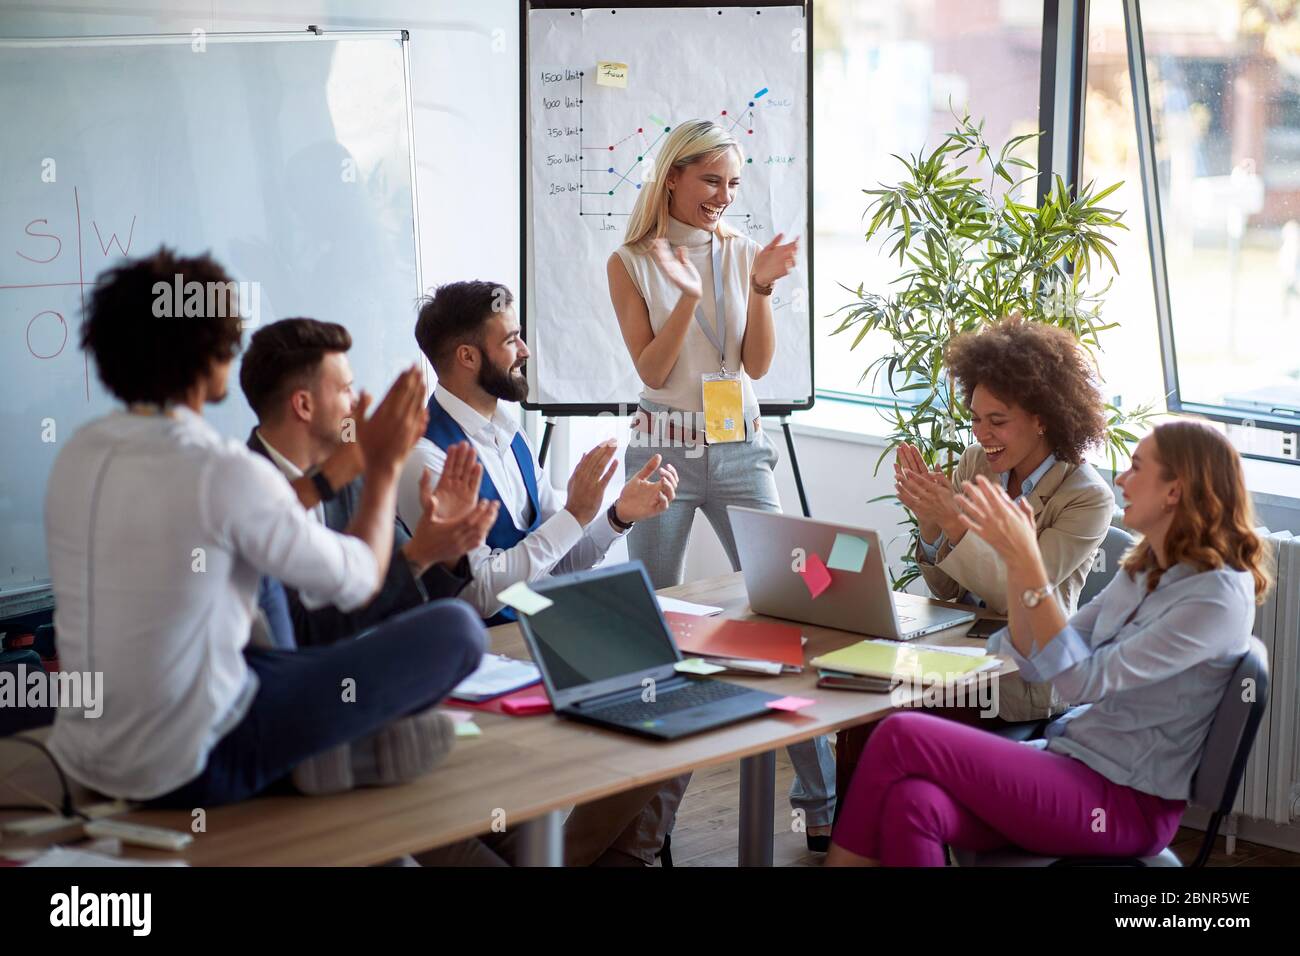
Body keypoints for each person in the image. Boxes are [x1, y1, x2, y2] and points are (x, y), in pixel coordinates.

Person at [45, 248, 486, 807]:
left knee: (254, 603)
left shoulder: (80, 453)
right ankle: (322, 752)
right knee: (458, 631)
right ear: (210, 355)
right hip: (196, 768)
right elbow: (358, 581)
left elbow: (248, 516)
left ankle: (333, 745)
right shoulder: (223, 470)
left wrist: (336, 476)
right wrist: (382, 468)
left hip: (86, 754)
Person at [828, 420, 1270, 866]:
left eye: (1136, 468)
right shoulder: (1146, 568)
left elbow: (1080, 682)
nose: (1121, 479)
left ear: (1175, 490)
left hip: (1122, 801)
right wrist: (1021, 571)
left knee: (901, 733)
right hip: (1072, 760)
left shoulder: (1215, 596)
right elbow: (1036, 661)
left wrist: (1027, 563)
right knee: (913, 801)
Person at [605, 118, 835, 849]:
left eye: (733, 184)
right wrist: (683, 294)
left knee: (784, 603)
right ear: (672, 175)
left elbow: (757, 367)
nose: (723, 197)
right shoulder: (631, 259)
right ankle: (635, 805)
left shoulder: (740, 251)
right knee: (647, 615)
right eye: (711, 181)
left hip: (739, 445)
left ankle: (822, 799)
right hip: (662, 453)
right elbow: (652, 370)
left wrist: (761, 285)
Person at [397, 280, 682, 866]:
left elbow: (562, 556)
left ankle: (617, 860)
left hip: (539, 628)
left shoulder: (511, 436)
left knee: (677, 704)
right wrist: (576, 514)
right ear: (468, 357)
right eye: (513, 339)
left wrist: (616, 518)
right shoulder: (426, 456)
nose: (525, 350)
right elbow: (476, 594)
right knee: (649, 717)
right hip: (490, 644)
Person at [894, 316, 1115, 723]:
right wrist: (930, 523)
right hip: (958, 656)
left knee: (899, 729)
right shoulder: (976, 463)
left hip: (1019, 684)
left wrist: (955, 524)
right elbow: (947, 589)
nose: (982, 434)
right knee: (872, 711)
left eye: (998, 421)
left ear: (1041, 418)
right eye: (976, 419)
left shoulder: (1085, 497)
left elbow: (1019, 595)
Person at [239, 317, 497, 648]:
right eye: (346, 389)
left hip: (366, 657)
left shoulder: (351, 474)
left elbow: (409, 581)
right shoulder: (245, 488)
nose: (358, 403)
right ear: (303, 405)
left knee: (456, 627)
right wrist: (418, 553)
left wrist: (442, 544)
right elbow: (301, 634)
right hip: (301, 677)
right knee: (459, 630)